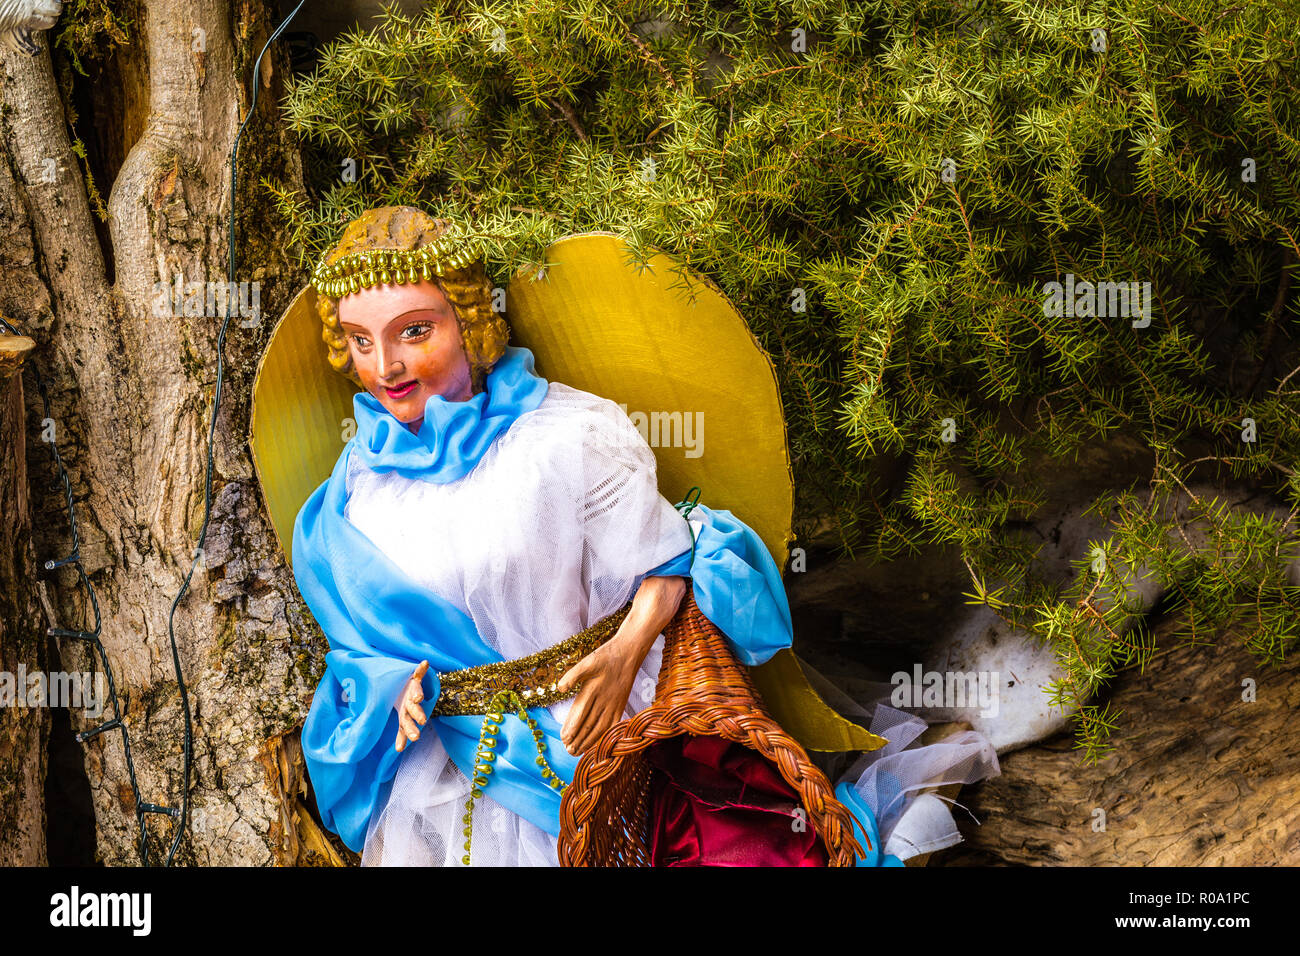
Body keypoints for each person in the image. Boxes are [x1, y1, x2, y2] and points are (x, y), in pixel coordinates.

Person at [292, 206, 999, 866]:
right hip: (450, 768)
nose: (385, 366)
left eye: (415, 331)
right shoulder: (359, 485)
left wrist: (626, 652)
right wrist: (390, 685)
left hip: (598, 719)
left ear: (470, 322)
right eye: (362, 341)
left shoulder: (564, 435)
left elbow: (671, 558)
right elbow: (363, 644)